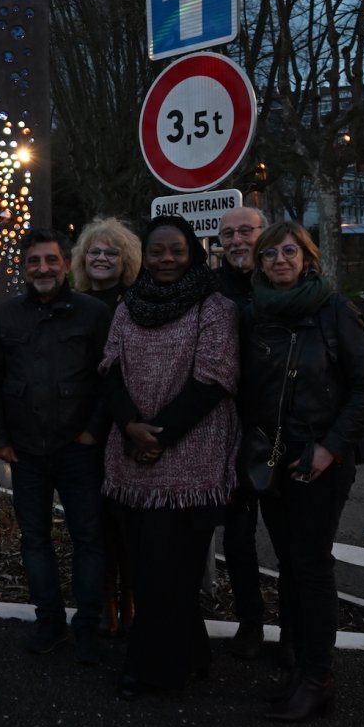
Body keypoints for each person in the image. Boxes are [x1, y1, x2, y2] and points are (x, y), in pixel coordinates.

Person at [239, 221, 364, 721]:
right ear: (258, 263)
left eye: (290, 251)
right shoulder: (252, 314)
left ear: (307, 258)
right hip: (270, 458)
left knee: (312, 564)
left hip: (318, 458)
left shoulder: (335, 310)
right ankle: (300, 672)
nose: (280, 259)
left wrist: (330, 449)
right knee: (289, 564)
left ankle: (318, 679)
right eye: (270, 253)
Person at [100, 214, 240, 701]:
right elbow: (110, 369)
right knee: (148, 568)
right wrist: (129, 426)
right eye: (157, 251)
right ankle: (193, 653)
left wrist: (158, 436)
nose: (165, 260)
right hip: (131, 461)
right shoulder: (127, 304)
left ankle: (155, 671)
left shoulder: (214, 307)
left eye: (176, 250)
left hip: (191, 462)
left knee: (169, 572)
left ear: (192, 252)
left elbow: (214, 378)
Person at [0, 229, 111, 664]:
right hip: (27, 453)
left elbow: (108, 378)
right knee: (34, 540)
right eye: (34, 261)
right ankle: (49, 621)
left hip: (79, 450)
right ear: (23, 267)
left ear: (66, 263)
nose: (43, 269)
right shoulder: (7, 316)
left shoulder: (93, 314)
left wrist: (94, 430)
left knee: (89, 540)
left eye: (50, 260)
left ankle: (88, 627)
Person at [70, 216, 142, 638]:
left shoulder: (135, 305)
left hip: (123, 428)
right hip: (83, 433)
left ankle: (130, 603)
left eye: (111, 252)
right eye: (94, 251)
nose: (101, 258)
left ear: (126, 259)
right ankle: (104, 605)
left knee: (126, 525)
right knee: (92, 525)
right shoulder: (74, 301)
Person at [213, 205, 271, 661]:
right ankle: (250, 621)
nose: (236, 240)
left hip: (285, 434)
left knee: (294, 541)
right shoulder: (213, 294)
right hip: (232, 433)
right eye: (228, 233)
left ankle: (298, 631)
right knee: (236, 537)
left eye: (245, 231)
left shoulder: (292, 286)